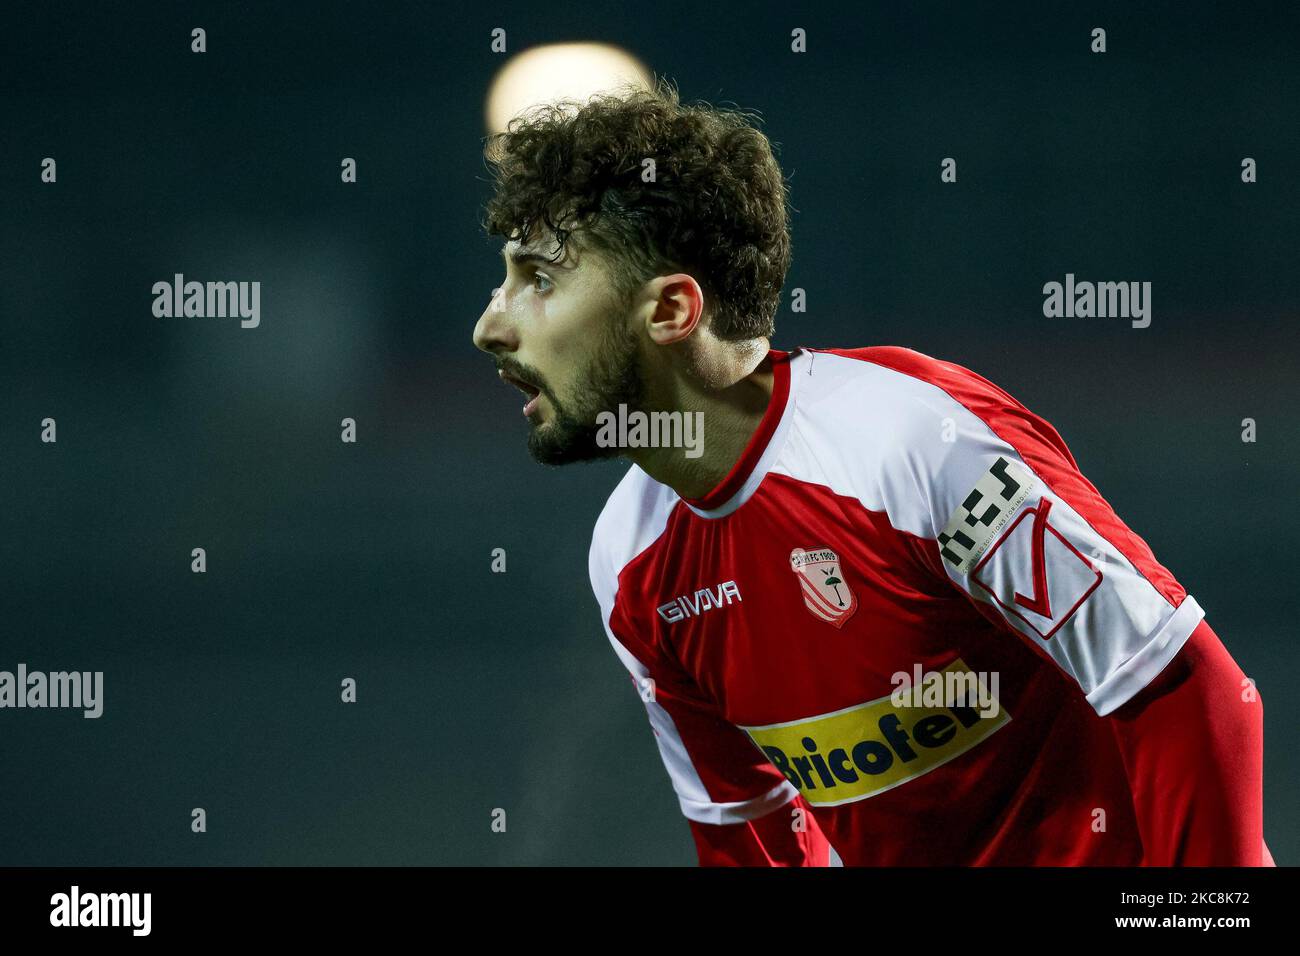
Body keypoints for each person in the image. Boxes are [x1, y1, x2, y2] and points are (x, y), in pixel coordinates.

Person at [472, 80, 1270, 866]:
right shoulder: (629, 558)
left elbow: (1184, 690)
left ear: (673, 311)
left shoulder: (915, 444)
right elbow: (751, 832)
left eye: (539, 280)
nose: (490, 326)